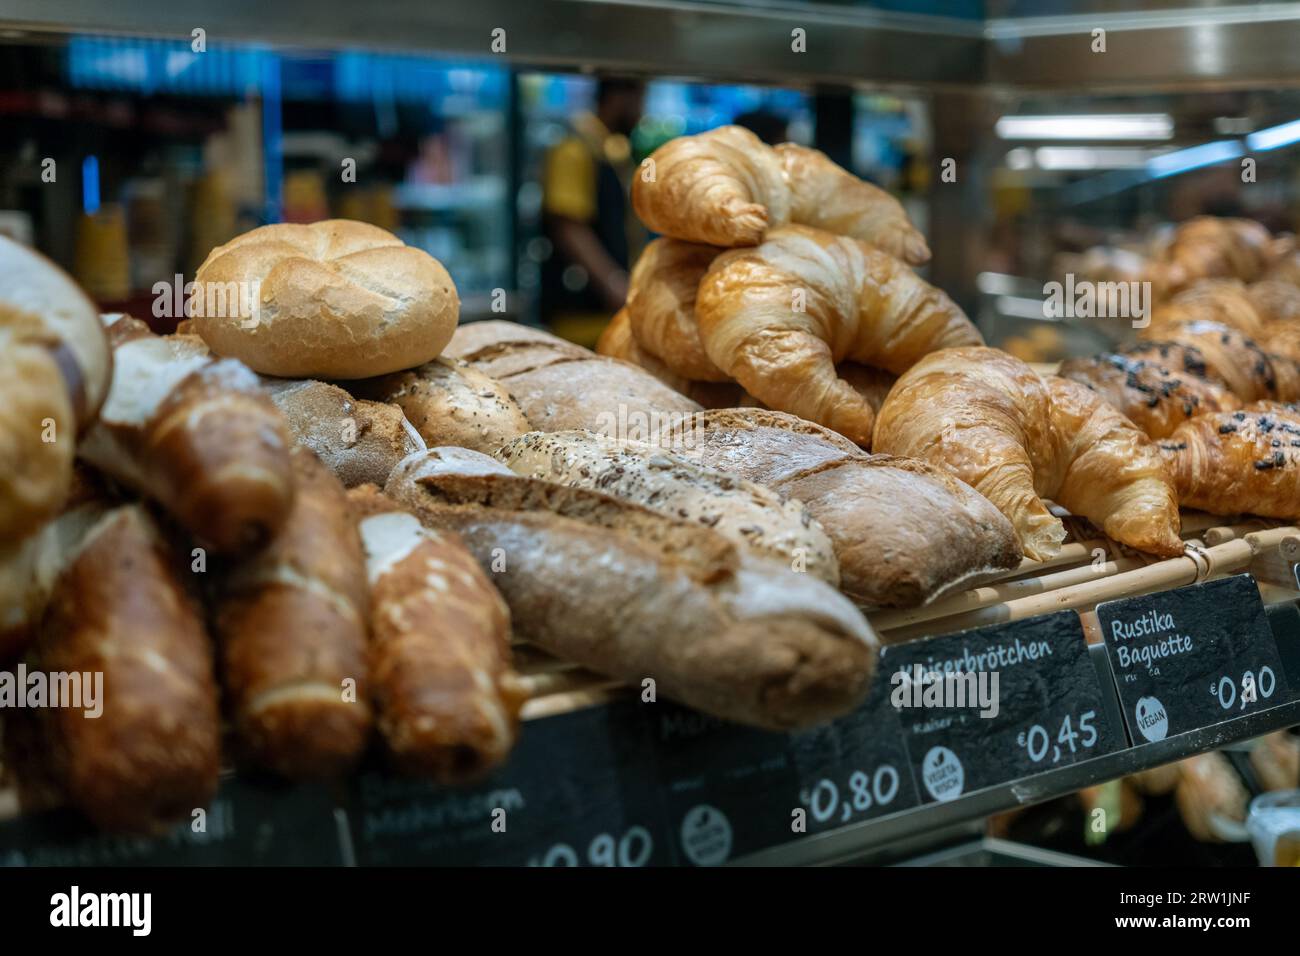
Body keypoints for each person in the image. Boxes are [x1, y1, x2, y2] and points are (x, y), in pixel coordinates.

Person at [541, 76, 646, 345]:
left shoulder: (610, 150)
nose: (642, 112)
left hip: (605, 316)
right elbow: (568, 225)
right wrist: (613, 285)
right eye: (640, 101)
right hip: (580, 316)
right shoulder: (574, 148)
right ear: (620, 97)